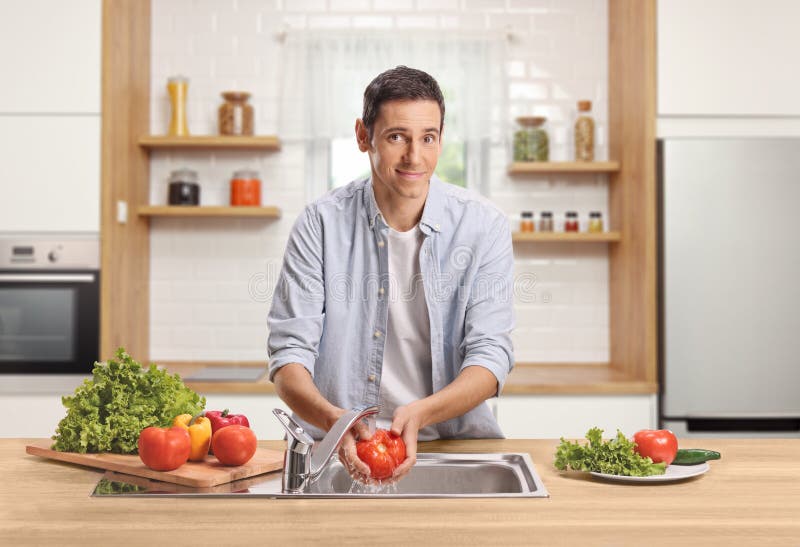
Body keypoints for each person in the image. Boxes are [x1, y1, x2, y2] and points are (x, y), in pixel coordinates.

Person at [268, 65, 514, 482]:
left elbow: (491, 359)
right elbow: (289, 357)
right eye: (397, 136)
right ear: (364, 137)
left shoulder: (483, 225)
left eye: (428, 138)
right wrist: (335, 421)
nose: (414, 157)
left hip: (452, 447)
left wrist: (422, 413)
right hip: (338, 447)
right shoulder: (319, 224)